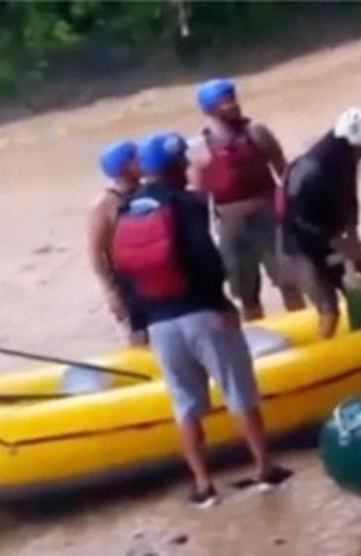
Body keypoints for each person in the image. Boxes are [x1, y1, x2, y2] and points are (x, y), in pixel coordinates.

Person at [109, 132, 292, 507]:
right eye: (183, 162)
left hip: (160, 321)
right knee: (239, 391)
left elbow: (125, 271)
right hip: (201, 312)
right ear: (176, 166)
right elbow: (205, 257)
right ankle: (264, 468)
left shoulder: (126, 209)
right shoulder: (187, 203)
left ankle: (203, 484)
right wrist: (221, 303)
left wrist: (139, 321)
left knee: (185, 405)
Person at [188, 78, 305, 320]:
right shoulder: (199, 150)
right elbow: (197, 201)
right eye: (225, 102)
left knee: (290, 282)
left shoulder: (257, 134)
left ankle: (304, 326)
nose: (233, 105)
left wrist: (295, 212)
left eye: (233, 99)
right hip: (233, 228)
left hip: (270, 218)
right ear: (209, 109)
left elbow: (285, 173)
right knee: (245, 292)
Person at [280, 107, 361, 338]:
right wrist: (339, 242)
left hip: (332, 240)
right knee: (330, 311)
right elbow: (301, 224)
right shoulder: (310, 173)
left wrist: (352, 234)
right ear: (350, 142)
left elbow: (349, 200)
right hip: (301, 248)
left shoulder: (345, 159)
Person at [89, 140, 148, 345]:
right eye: (137, 159)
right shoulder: (105, 205)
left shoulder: (147, 192)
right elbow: (97, 253)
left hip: (153, 273)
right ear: (122, 167)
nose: (143, 162)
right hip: (127, 281)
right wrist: (110, 290)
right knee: (138, 335)